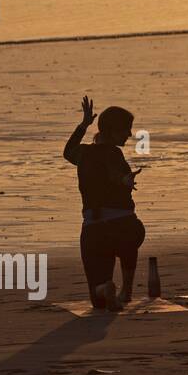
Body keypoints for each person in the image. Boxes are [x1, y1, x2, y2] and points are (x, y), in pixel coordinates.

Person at [63, 96, 146, 311]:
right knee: (129, 232)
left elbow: (67, 152)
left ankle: (105, 289)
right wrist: (124, 180)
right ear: (113, 131)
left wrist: (83, 125)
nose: (129, 134)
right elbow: (114, 175)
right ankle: (126, 289)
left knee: (98, 297)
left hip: (96, 232)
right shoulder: (114, 153)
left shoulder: (84, 154)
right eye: (126, 130)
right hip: (125, 230)